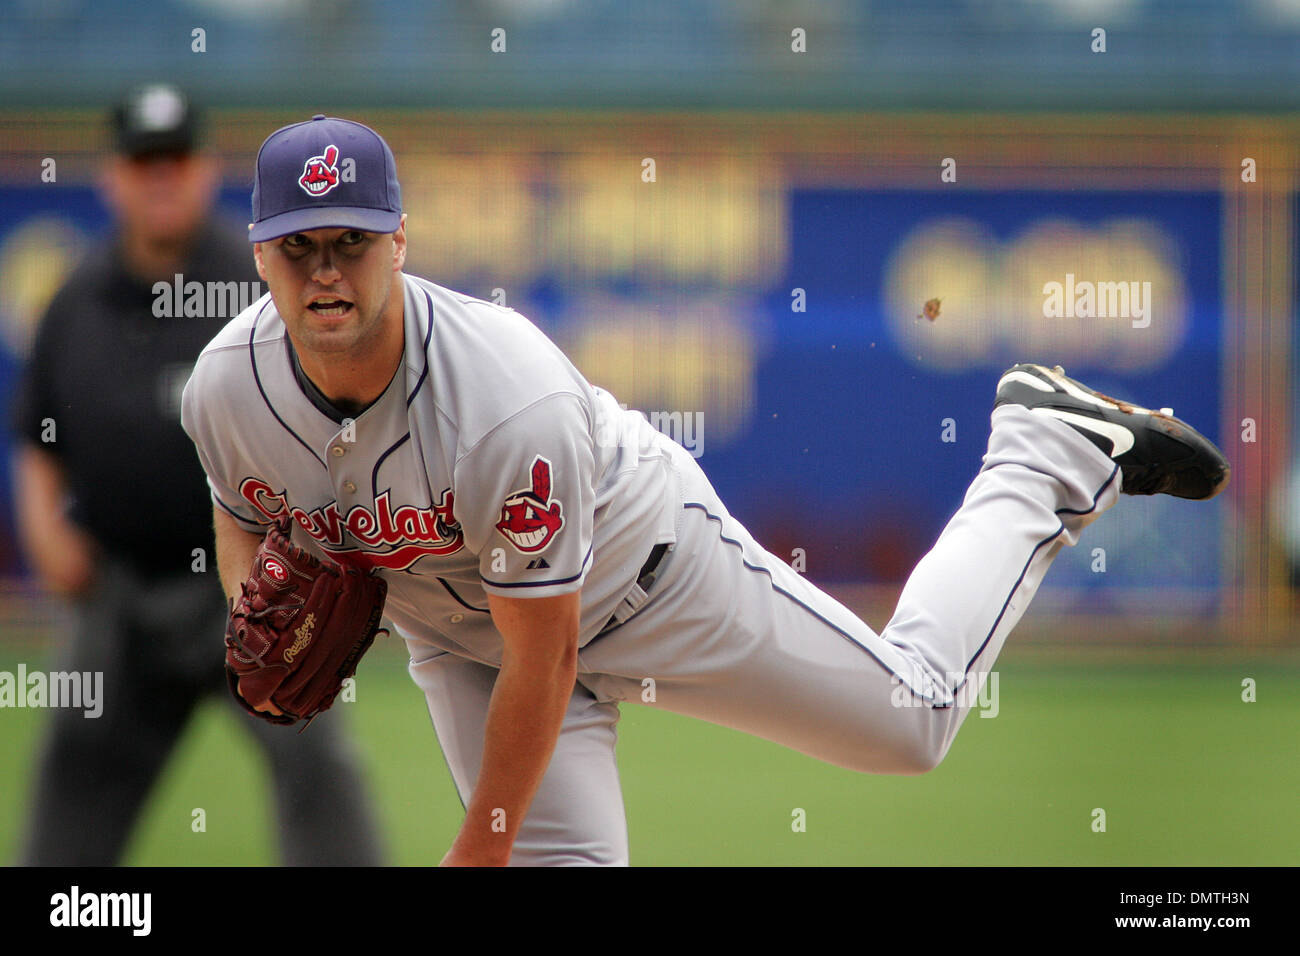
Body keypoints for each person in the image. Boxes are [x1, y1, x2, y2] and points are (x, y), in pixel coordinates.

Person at [182, 115, 1229, 867]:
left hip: (650, 583)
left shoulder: (503, 402)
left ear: (400, 243)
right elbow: (244, 521)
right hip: (465, 642)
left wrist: (477, 849)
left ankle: (1039, 451)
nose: (329, 271)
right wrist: (252, 608)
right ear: (261, 256)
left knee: (912, 720)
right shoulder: (224, 390)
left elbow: (543, 662)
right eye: (301, 246)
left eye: (353, 242)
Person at [12, 87, 383, 865]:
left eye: (173, 160)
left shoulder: (260, 284)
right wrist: (47, 535)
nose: (158, 178)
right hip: (118, 589)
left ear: (203, 169)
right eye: (142, 162)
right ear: (112, 176)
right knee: (70, 790)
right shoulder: (77, 300)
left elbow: (341, 419)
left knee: (317, 765)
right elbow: (36, 435)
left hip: (253, 584)